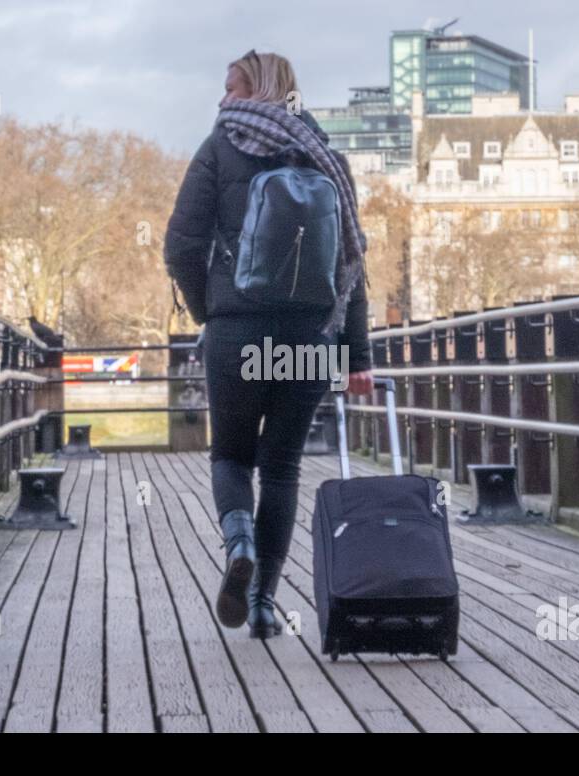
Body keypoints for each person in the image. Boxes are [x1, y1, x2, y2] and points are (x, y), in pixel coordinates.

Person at [164, 50, 372, 638]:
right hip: (310, 337)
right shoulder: (327, 156)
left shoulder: (218, 147)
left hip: (236, 331)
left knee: (231, 455)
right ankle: (261, 605)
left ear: (256, 92)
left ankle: (238, 542)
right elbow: (352, 265)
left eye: (232, 89)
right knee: (281, 468)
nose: (223, 100)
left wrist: (212, 312)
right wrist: (358, 357)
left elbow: (180, 246)